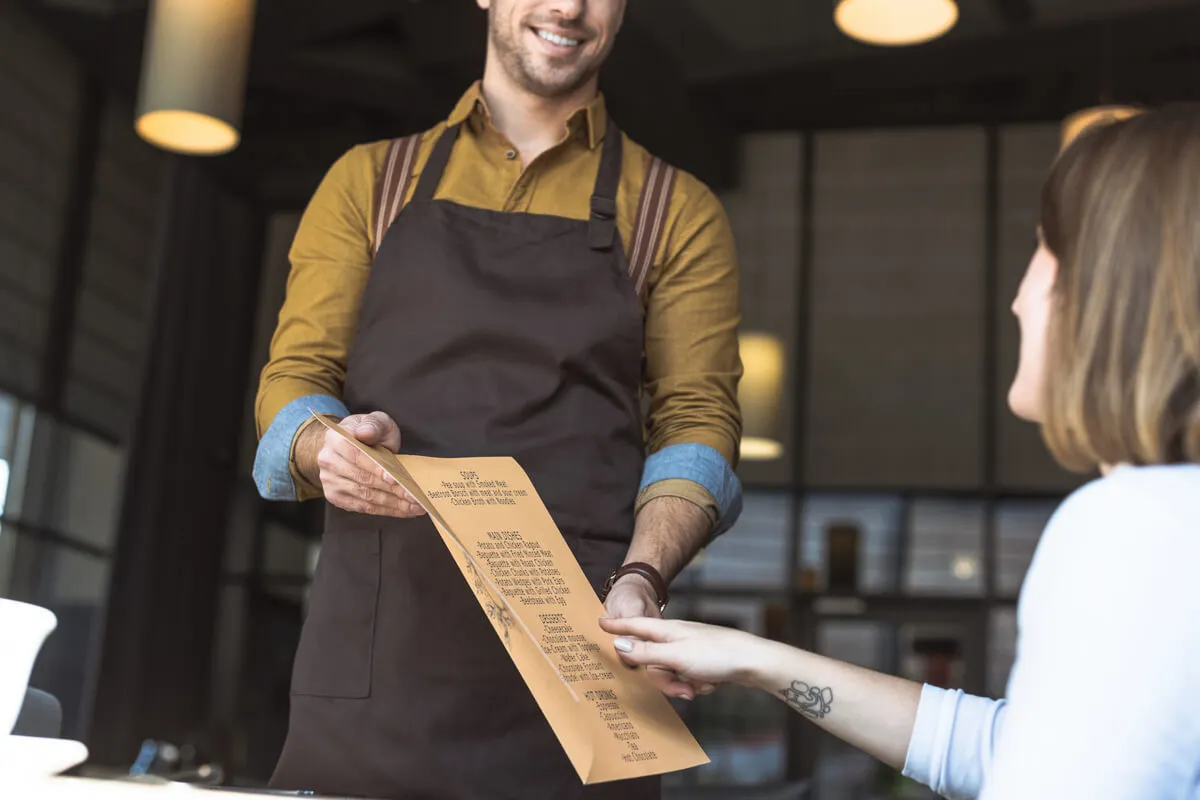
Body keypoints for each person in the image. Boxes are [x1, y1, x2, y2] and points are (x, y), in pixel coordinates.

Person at [602, 104, 1200, 800]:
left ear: (1111, 290)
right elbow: (1002, 747)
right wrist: (749, 658)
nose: (1017, 298)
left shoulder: (1133, 526)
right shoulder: (1171, 521)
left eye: (1044, 250)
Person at [252, 0, 744, 797]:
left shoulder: (674, 209)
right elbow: (296, 377)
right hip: (383, 648)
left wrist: (644, 576)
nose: (567, 7)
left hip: (584, 657)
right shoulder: (370, 181)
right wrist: (322, 444)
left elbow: (697, 421)